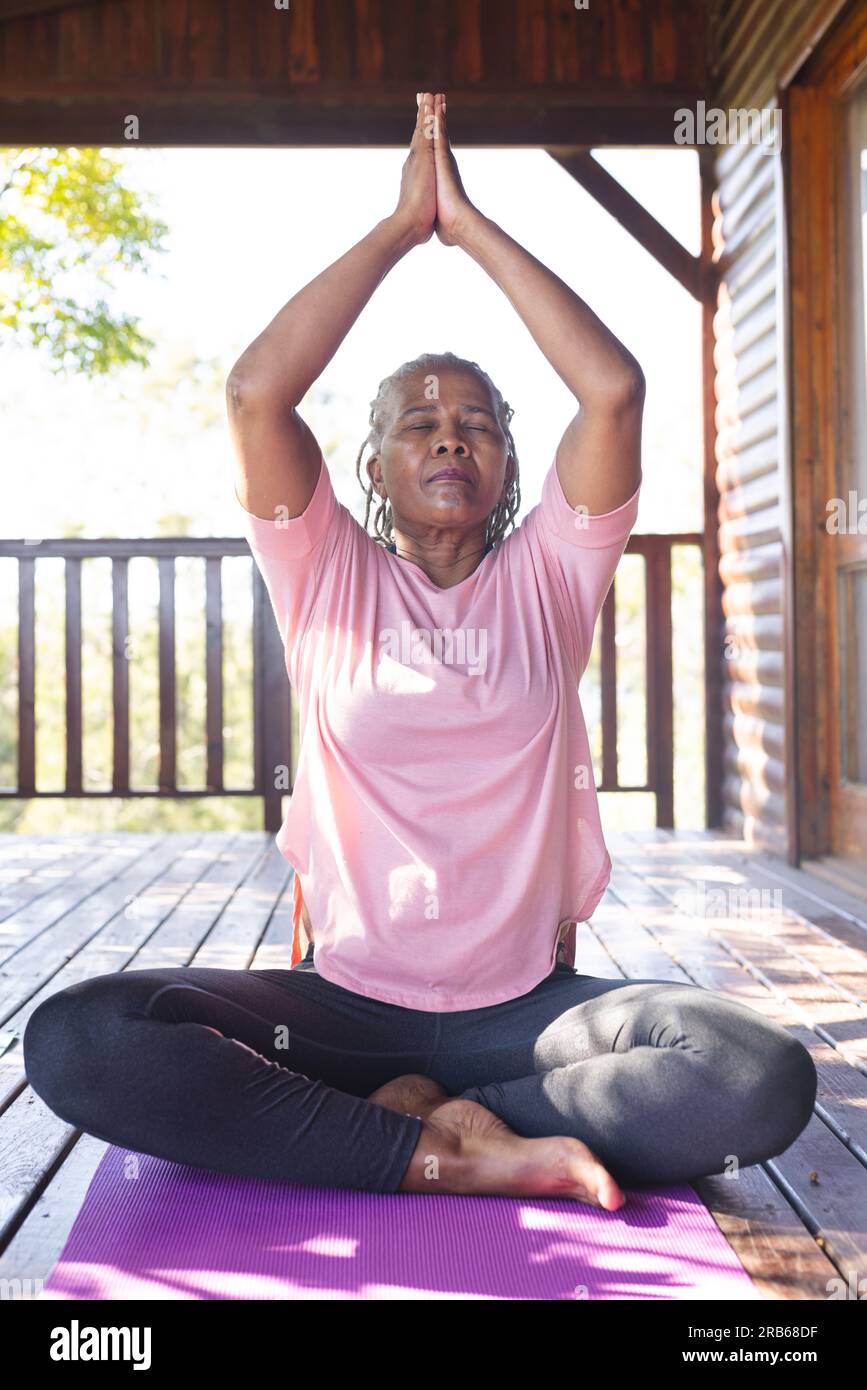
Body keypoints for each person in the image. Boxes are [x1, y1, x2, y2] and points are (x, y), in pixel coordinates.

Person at [23, 93, 817, 1214]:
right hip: (340, 1014)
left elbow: (614, 388)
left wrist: (471, 221)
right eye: (417, 419)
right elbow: (258, 390)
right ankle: (452, 1152)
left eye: (480, 421)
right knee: (78, 1037)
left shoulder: (550, 578)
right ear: (376, 469)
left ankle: (419, 1120)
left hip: (530, 1023)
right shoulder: (327, 575)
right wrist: (404, 226)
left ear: (505, 467)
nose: (451, 432)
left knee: (759, 1074)